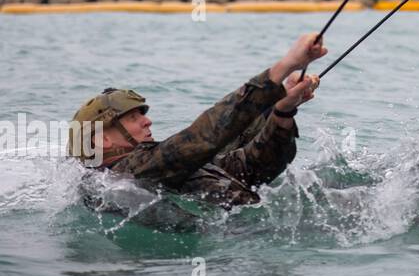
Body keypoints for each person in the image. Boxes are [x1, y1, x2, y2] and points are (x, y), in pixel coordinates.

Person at [67, 33, 327, 206]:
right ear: (100, 138)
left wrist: (283, 110)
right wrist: (286, 65)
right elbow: (206, 136)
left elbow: (255, 167)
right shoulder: (127, 174)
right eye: (133, 119)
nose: (147, 122)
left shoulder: (163, 167)